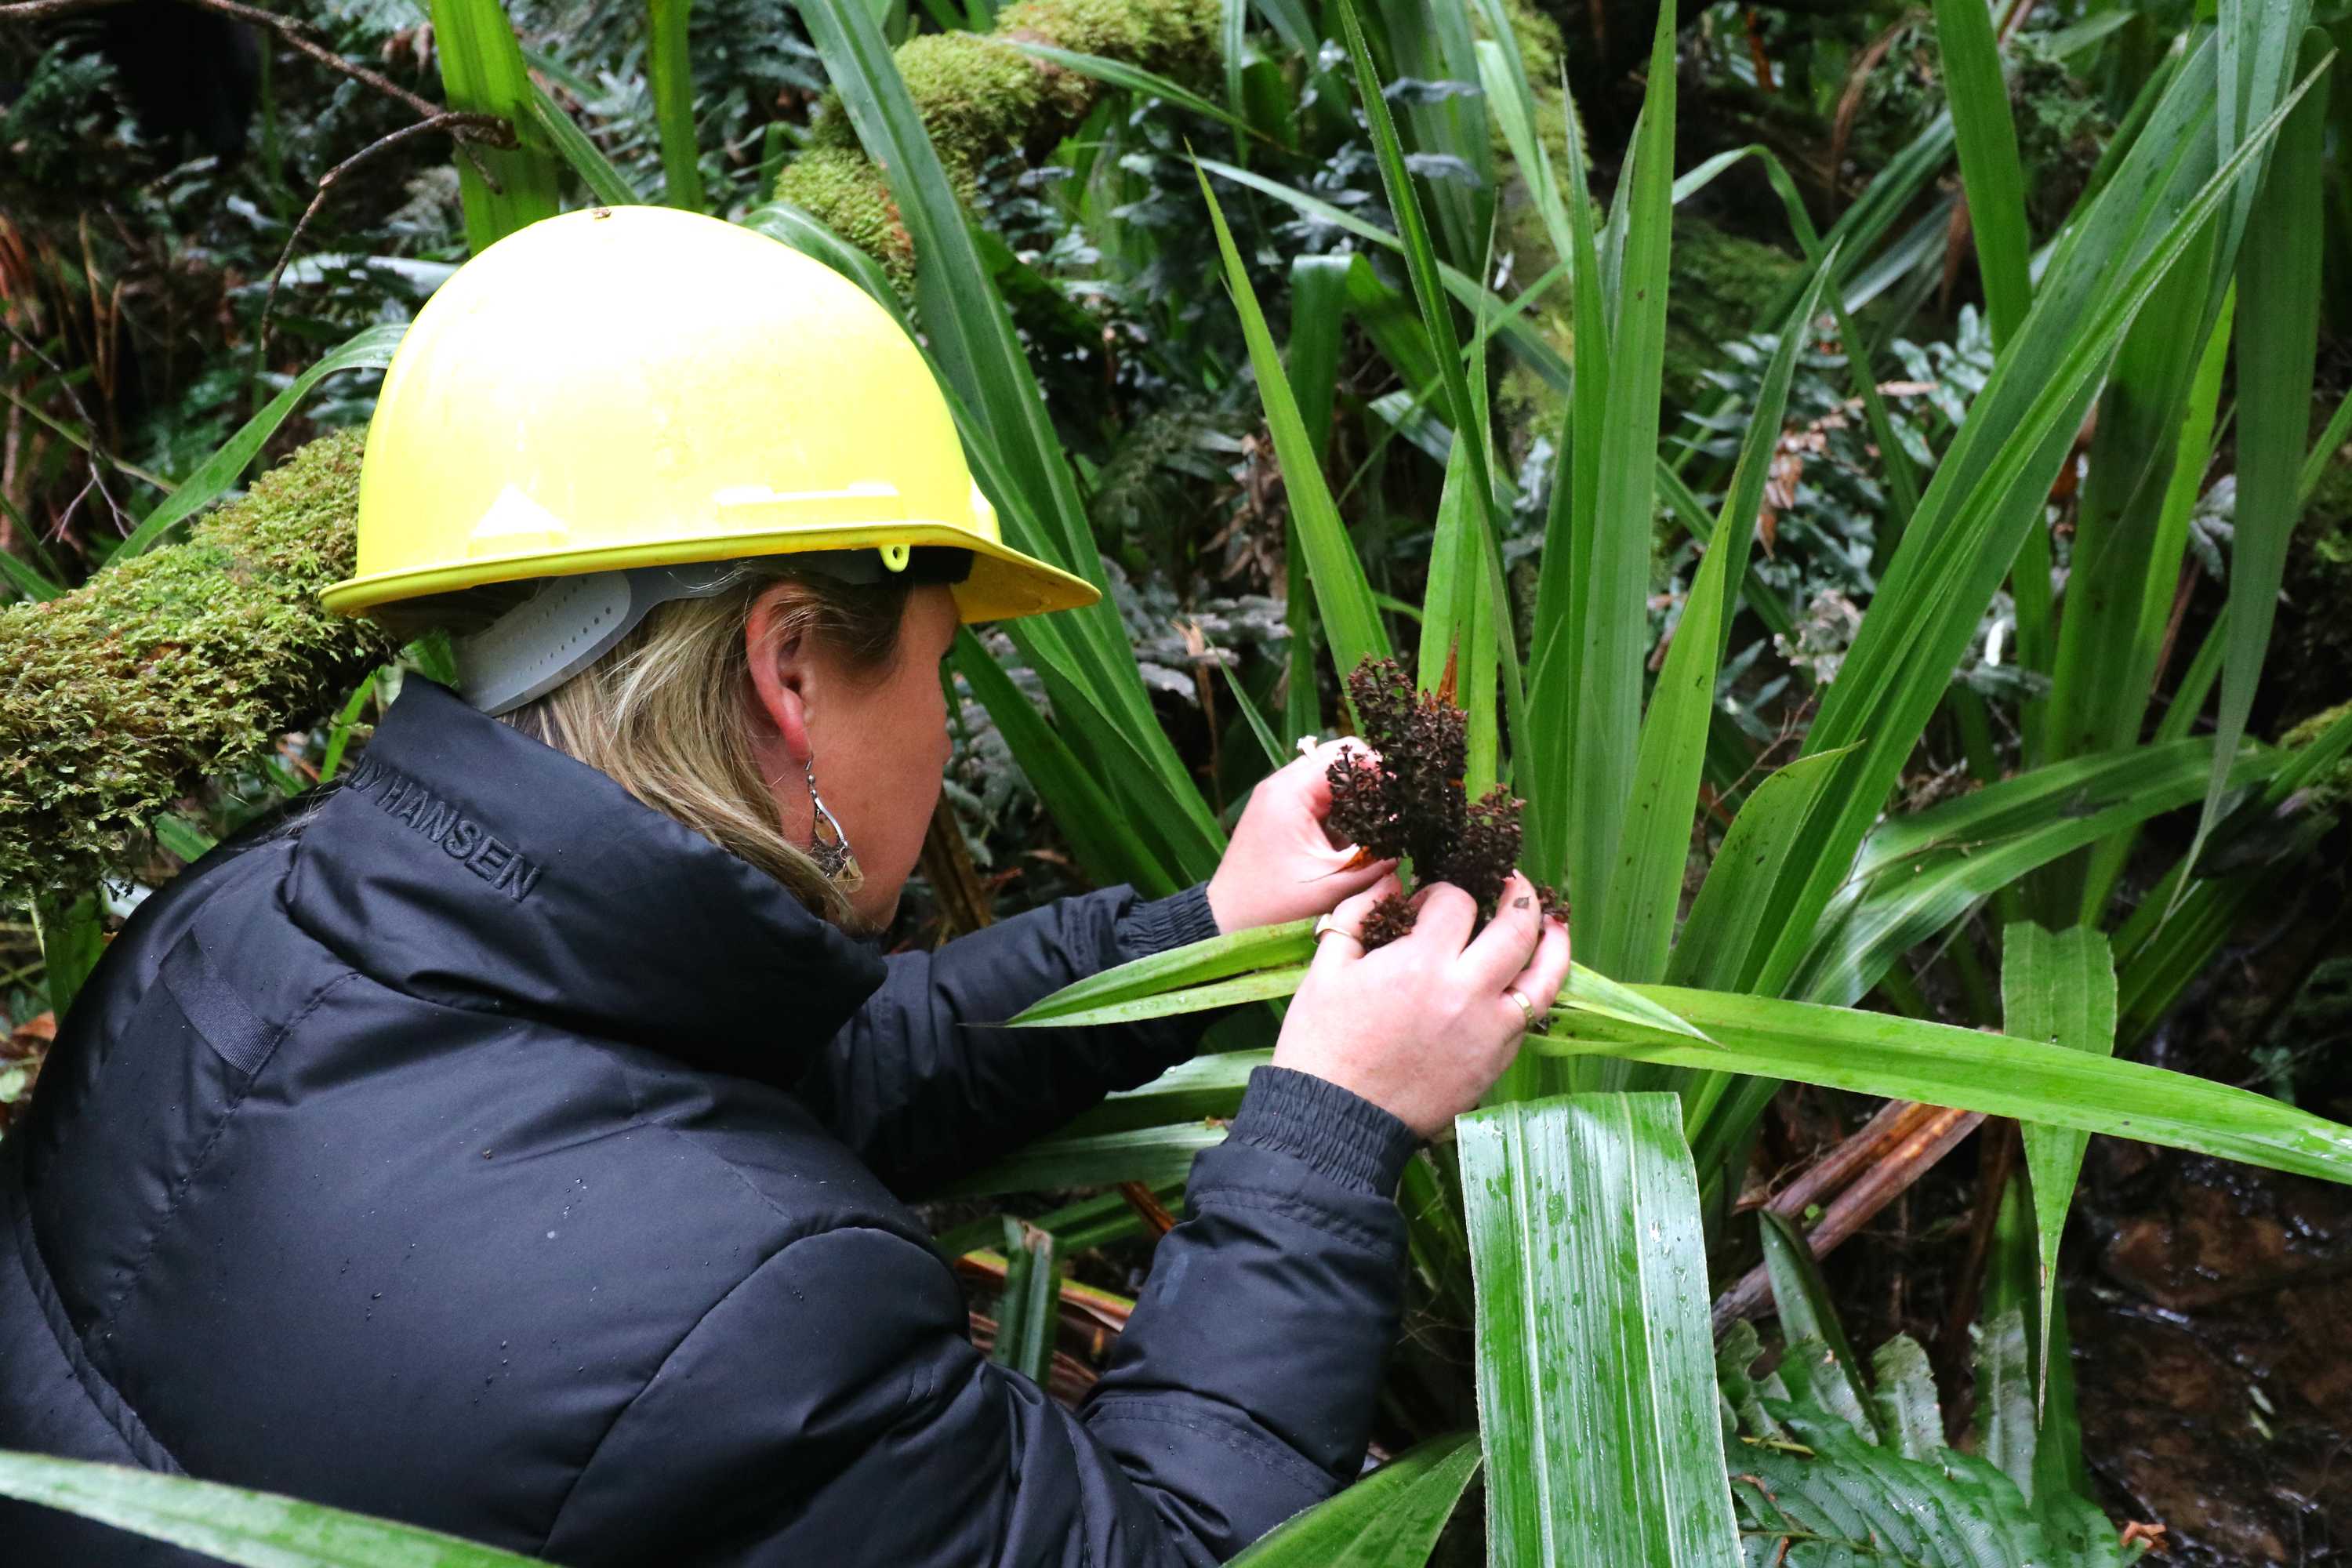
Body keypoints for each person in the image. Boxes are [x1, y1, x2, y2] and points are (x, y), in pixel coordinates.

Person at [0, 207, 1569, 1565]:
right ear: (795, 668)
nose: (943, 727)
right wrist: (1330, 1129)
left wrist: (1205, 929)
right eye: (944, 666)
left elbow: (772, 1095)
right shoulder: (754, 1334)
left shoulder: (231, 925)